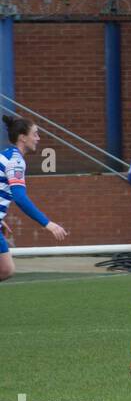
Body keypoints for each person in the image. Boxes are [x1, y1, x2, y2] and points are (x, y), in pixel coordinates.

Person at [0, 115, 69, 281]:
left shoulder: (7, 155)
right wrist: (48, 224)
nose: (38, 138)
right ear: (23, 137)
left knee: (6, 269)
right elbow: (20, 198)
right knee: (6, 269)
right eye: (35, 134)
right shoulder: (16, 161)